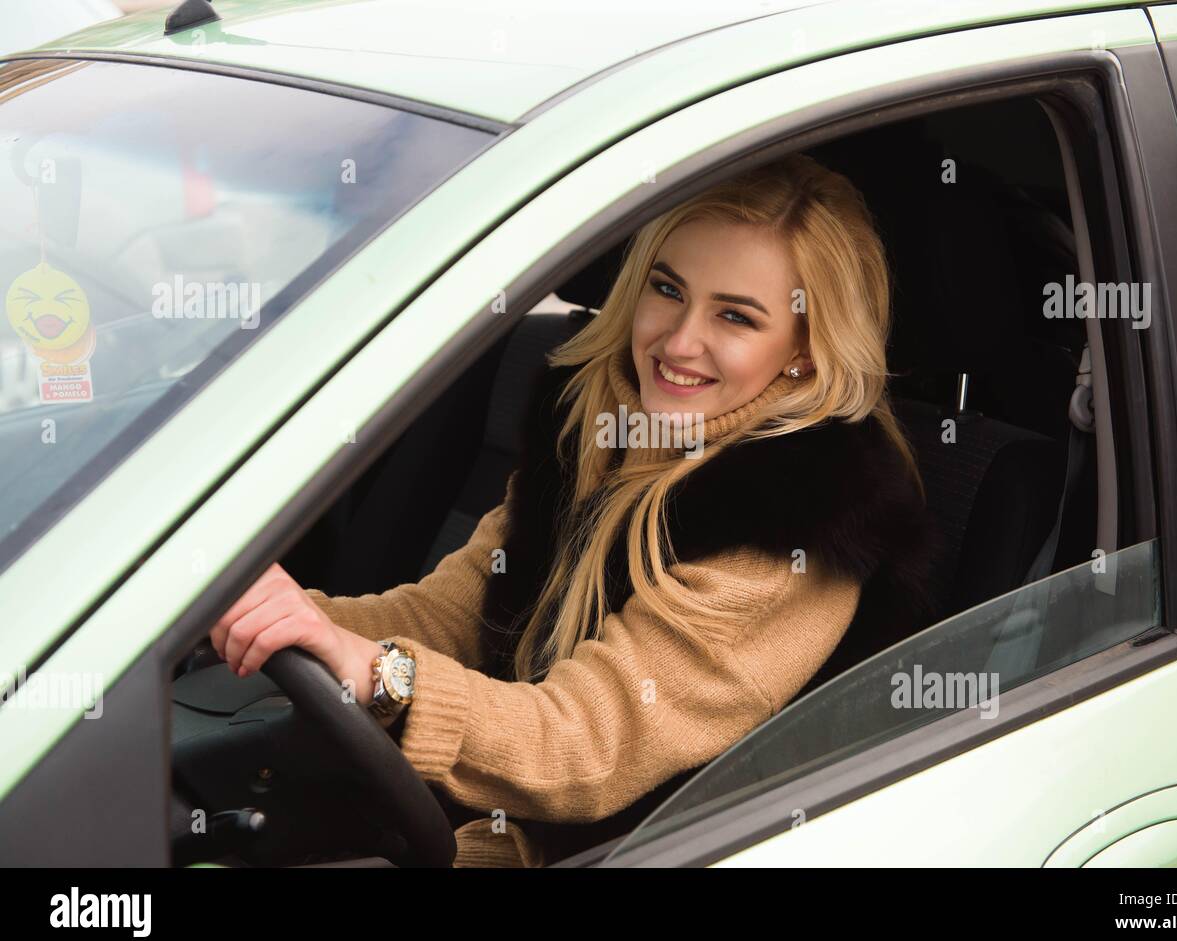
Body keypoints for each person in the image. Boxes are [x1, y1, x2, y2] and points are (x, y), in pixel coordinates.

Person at [208, 153, 939, 867]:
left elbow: (584, 746)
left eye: (737, 318)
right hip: (459, 814)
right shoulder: (599, 423)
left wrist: (379, 674)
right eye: (667, 288)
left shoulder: (796, 532)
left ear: (805, 353)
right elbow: (458, 613)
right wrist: (281, 615)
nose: (679, 341)